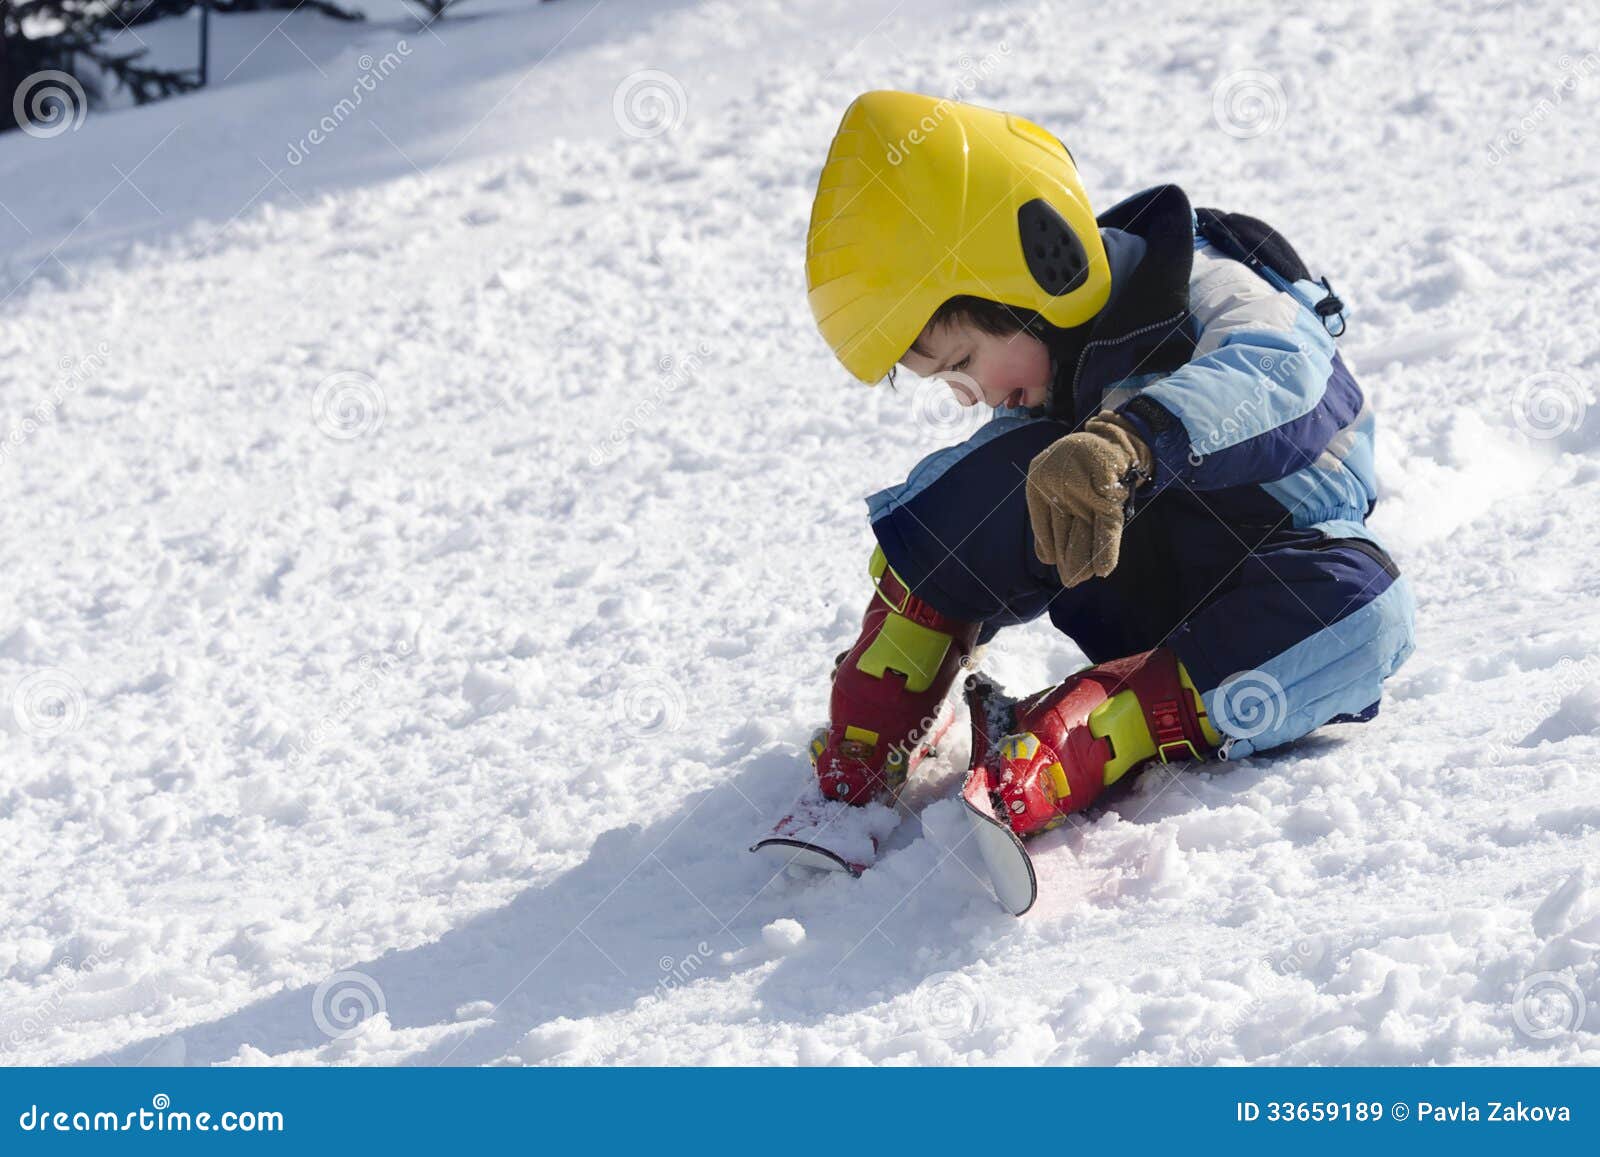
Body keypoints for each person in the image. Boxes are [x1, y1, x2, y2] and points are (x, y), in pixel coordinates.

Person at [803, 90, 1416, 836]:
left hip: (1271, 569)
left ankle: (1107, 726)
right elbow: (977, 507)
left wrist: (1133, 441)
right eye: (950, 381)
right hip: (1134, 583)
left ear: (1035, 267)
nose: (972, 396)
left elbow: (1284, 373)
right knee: (994, 481)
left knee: (1369, 610)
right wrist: (934, 580)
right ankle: (881, 695)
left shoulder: (1206, 282)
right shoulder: (1043, 386)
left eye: (964, 362)